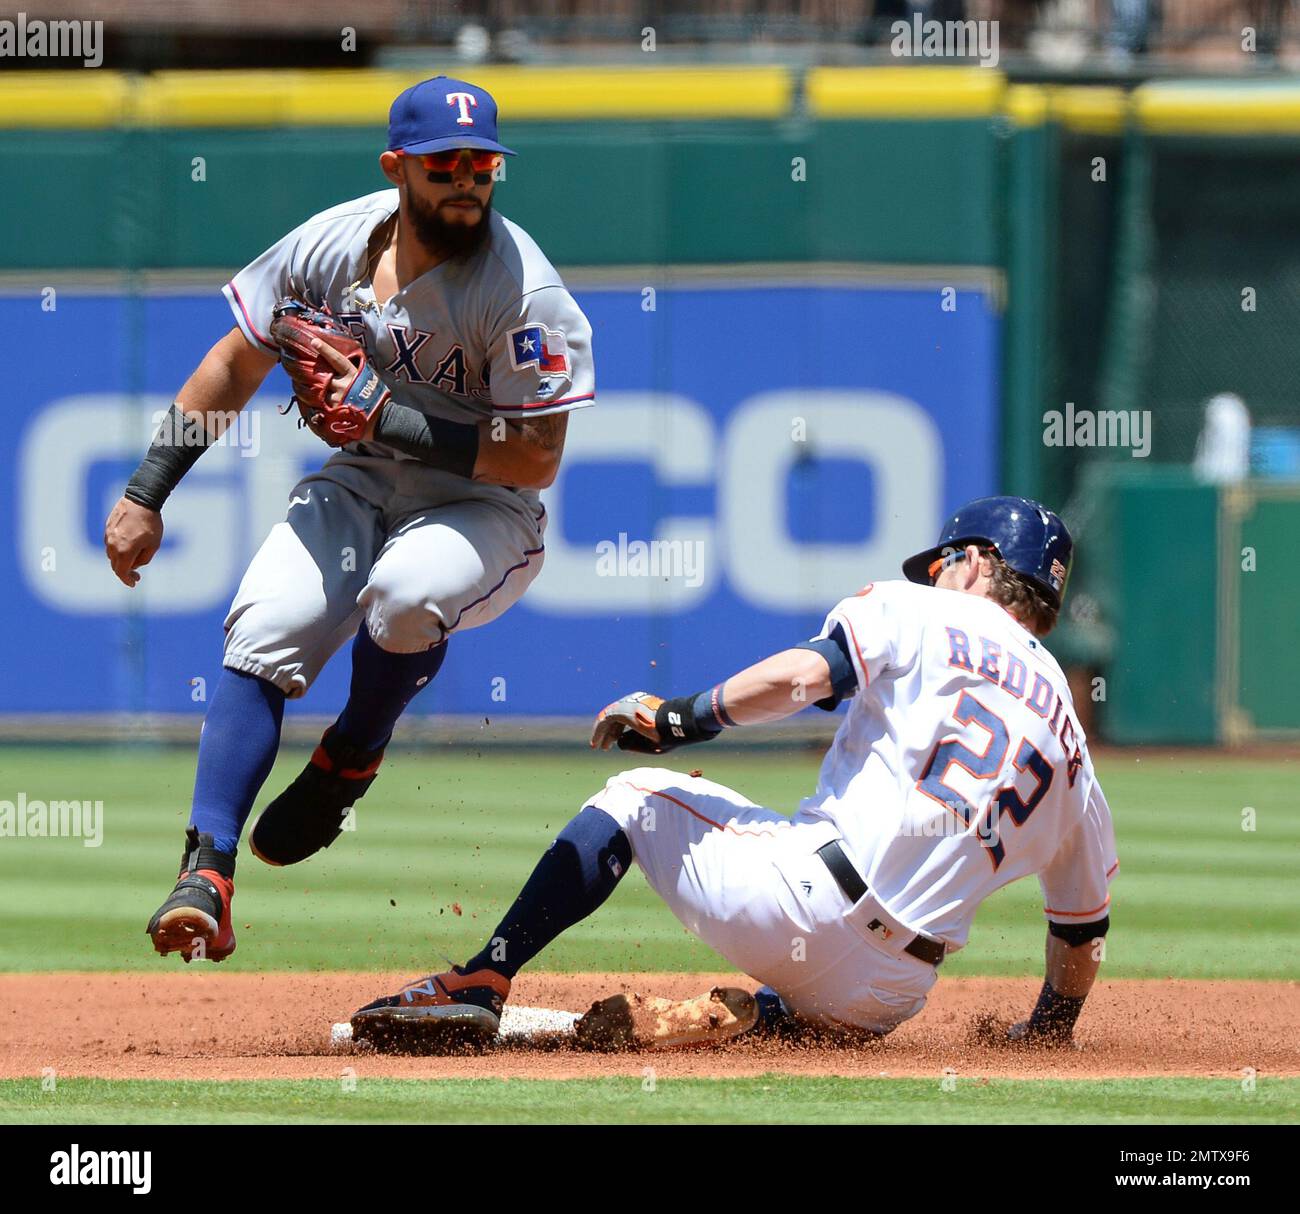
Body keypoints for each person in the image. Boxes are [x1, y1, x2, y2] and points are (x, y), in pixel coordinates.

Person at [103, 75, 594, 963]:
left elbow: (536, 456)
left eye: (483, 162)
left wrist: (391, 416)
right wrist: (147, 491)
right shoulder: (331, 245)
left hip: (488, 507)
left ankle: (352, 752)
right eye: (446, 164)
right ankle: (206, 867)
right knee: (268, 623)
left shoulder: (522, 289)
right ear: (397, 168)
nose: (468, 180)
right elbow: (236, 362)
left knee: (405, 597)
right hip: (362, 479)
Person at [350, 496, 1118, 1052]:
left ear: (981, 562)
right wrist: (1046, 1033)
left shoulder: (919, 610)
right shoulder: (1076, 751)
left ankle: (483, 978)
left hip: (804, 907)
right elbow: (1081, 934)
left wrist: (682, 718)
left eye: (947, 559)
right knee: (825, 1001)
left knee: (637, 796)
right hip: (890, 995)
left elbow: (801, 679)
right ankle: (759, 1015)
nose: (936, 572)